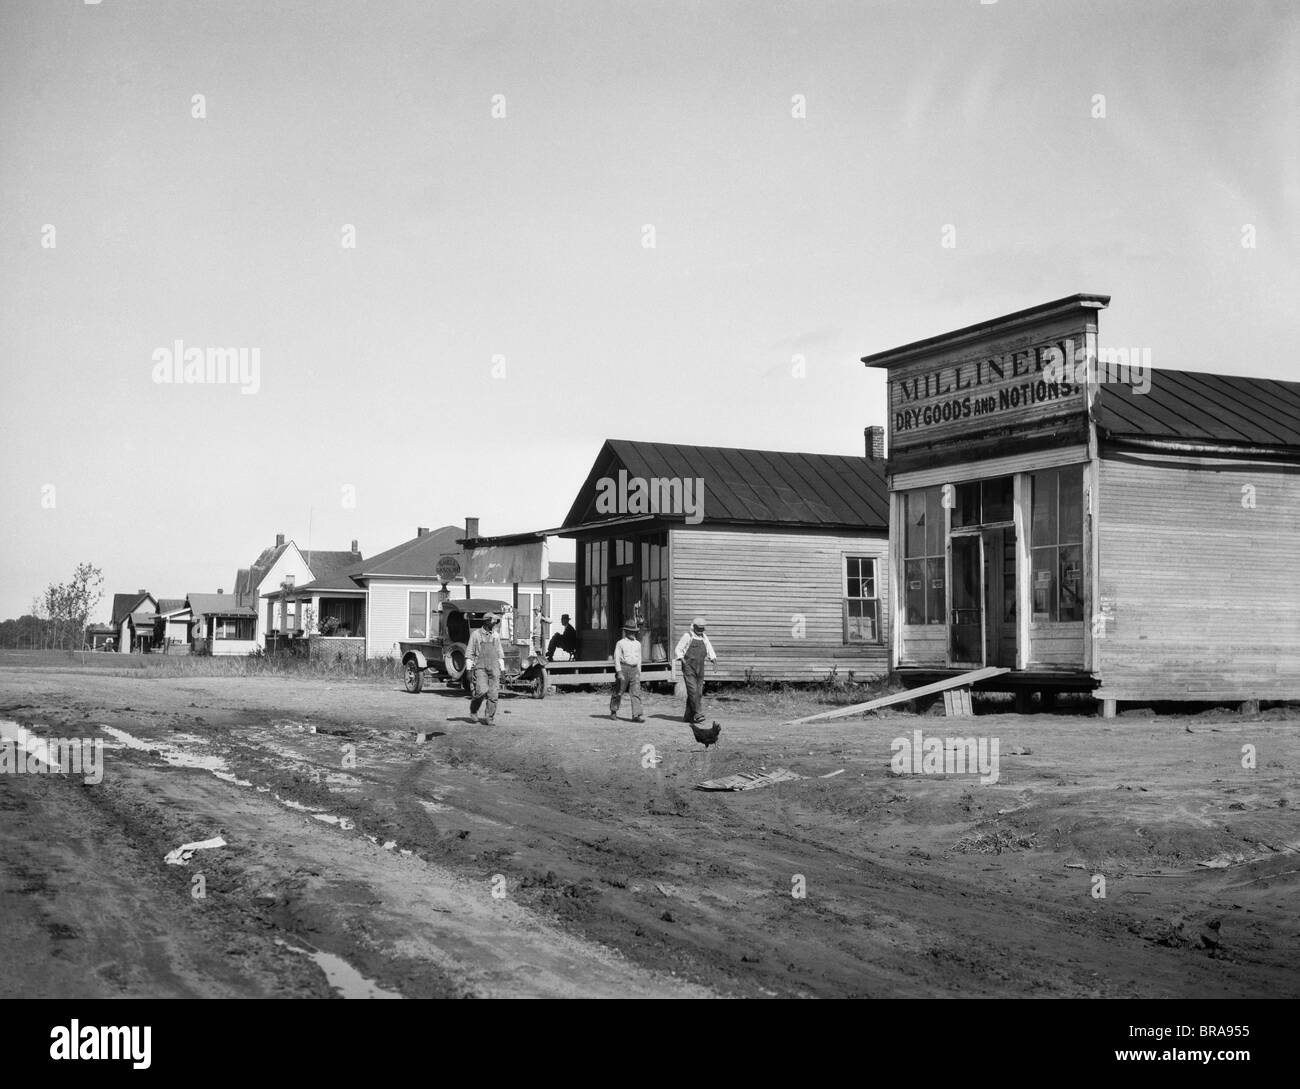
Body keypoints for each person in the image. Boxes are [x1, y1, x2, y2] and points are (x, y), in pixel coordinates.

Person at [674, 617, 717, 724]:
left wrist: (714, 661)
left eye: (702, 628)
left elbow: (709, 649)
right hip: (689, 667)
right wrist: (682, 660)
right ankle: (698, 713)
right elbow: (678, 649)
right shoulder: (687, 636)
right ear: (693, 626)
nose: (701, 630)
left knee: (698, 692)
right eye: (699, 628)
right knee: (693, 690)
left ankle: (688, 716)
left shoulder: (704, 637)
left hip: (700, 668)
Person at [465, 613, 506, 724]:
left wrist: (502, 671)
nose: (495, 623)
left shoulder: (496, 636)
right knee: (481, 691)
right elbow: (469, 653)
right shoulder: (475, 635)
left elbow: (500, 654)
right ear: (486, 621)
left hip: (494, 667)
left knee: (493, 694)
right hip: (480, 667)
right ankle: (474, 709)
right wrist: (468, 670)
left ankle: (489, 717)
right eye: (493, 621)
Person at [609, 619, 645, 722]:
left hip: (634, 669)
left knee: (636, 692)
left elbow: (639, 658)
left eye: (633, 631)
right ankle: (613, 711)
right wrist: (619, 671)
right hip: (624, 668)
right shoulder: (620, 643)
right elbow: (616, 658)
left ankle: (636, 715)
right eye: (629, 631)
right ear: (626, 631)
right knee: (619, 691)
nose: (632, 633)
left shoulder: (638, 644)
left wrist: (639, 671)